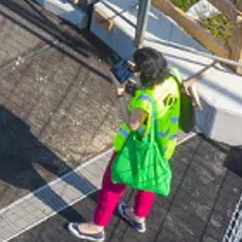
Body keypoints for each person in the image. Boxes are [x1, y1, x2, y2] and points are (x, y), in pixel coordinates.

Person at [70, 49, 193, 241]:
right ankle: (138, 216)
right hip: (164, 146)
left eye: (135, 66)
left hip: (136, 148)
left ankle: (97, 227)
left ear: (144, 73)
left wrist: (120, 94)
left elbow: (132, 124)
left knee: (113, 183)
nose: (131, 67)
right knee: (148, 181)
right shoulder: (173, 77)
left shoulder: (146, 99)